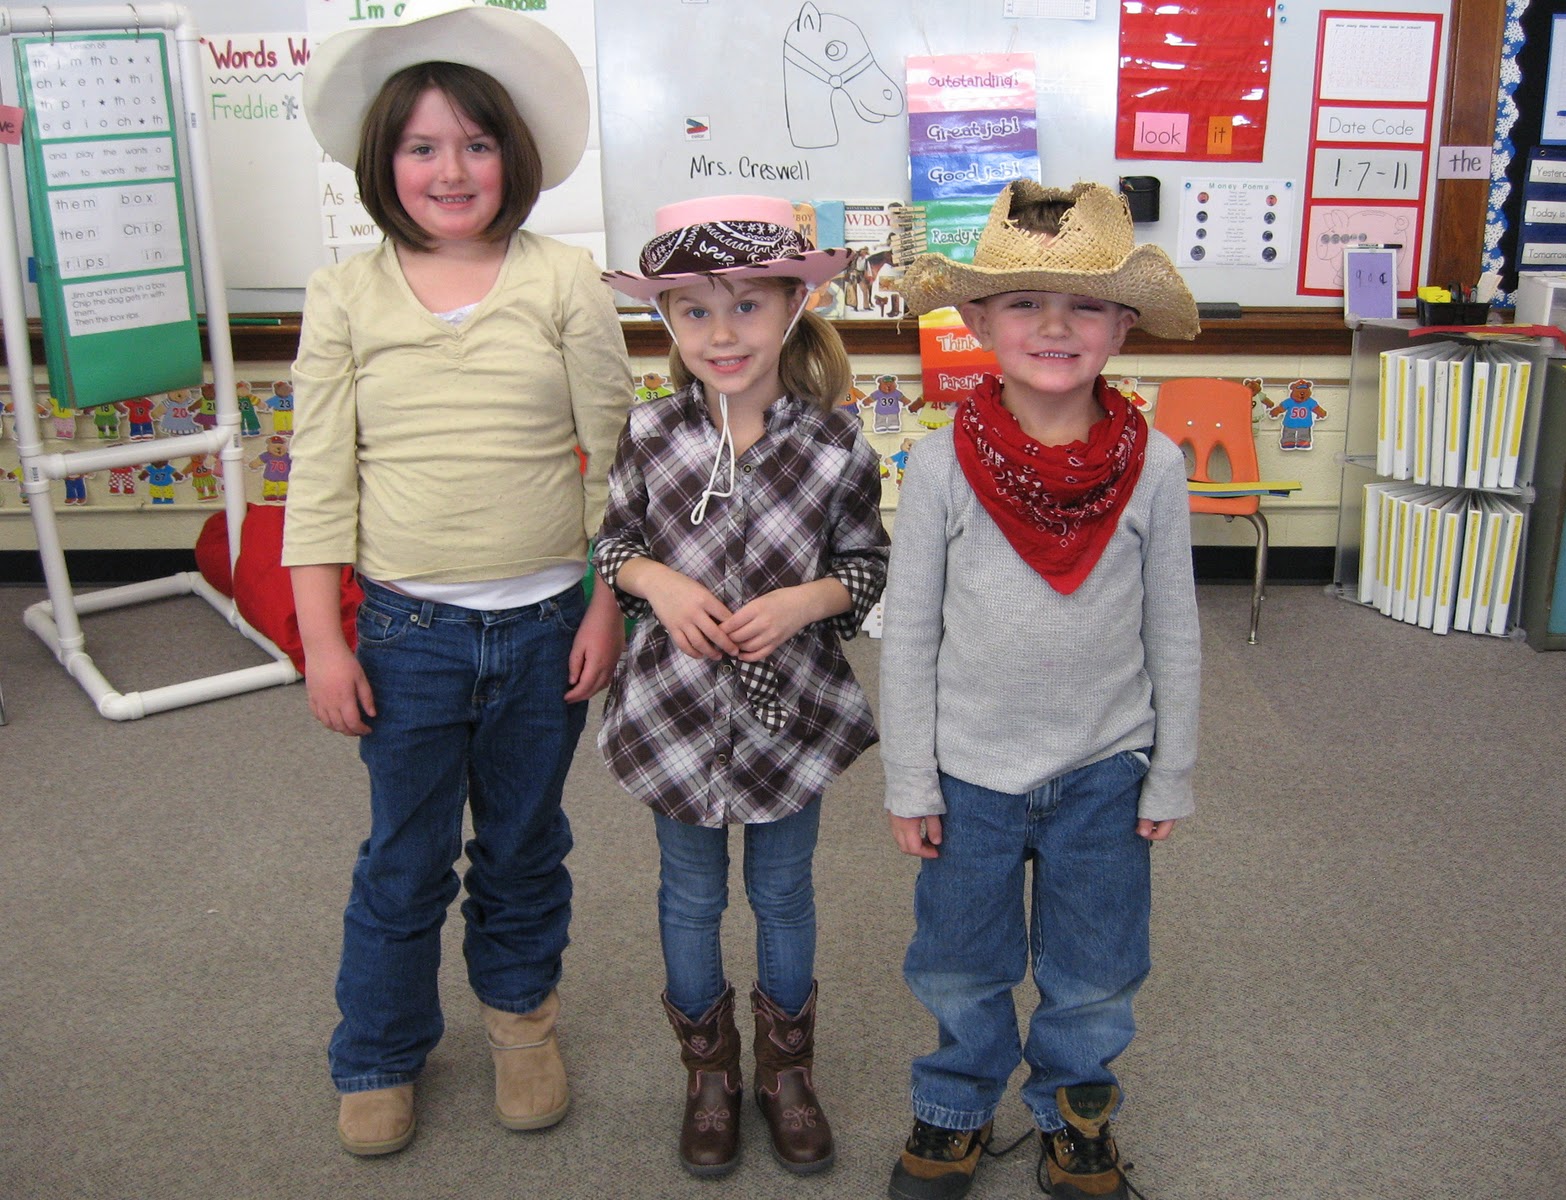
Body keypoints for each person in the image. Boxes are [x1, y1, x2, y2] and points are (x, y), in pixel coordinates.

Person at [285, 0, 633, 1157]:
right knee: (406, 850)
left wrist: (604, 600)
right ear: (385, 161)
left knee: (527, 842)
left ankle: (521, 1021)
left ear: (512, 158)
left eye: (477, 144)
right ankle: (378, 1049)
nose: (451, 168)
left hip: (545, 629)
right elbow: (319, 480)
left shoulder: (565, 282)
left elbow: (614, 467)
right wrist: (325, 643)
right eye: (423, 145)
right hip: (405, 632)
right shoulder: (343, 297)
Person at [879, 179, 1202, 1200]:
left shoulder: (1155, 467)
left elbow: (1174, 631)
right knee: (958, 963)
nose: (1053, 326)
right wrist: (907, 781)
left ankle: (1075, 1115)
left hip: (1106, 770)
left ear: (1122, 326)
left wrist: (1170, 774)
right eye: (1020, 302)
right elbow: (911, 633)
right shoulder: (935, 469)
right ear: (976, 319)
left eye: (1086, 305)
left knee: (1095, 972)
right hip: (968, 772)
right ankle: (953, 1109)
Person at [594, 195, 889, 1178]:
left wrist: (807, 601)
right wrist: (656, 581)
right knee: (687, 897)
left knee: (781, 893)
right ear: (667, 324)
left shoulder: (835, 445)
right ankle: (709, 1076)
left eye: (747, 308)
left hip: (786, 716)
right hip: (675, 712)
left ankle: (785, 1076)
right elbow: (616, 544)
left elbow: (864, 562)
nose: (721, 334)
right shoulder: (648, 435)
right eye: (693, 313)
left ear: (792, 310)